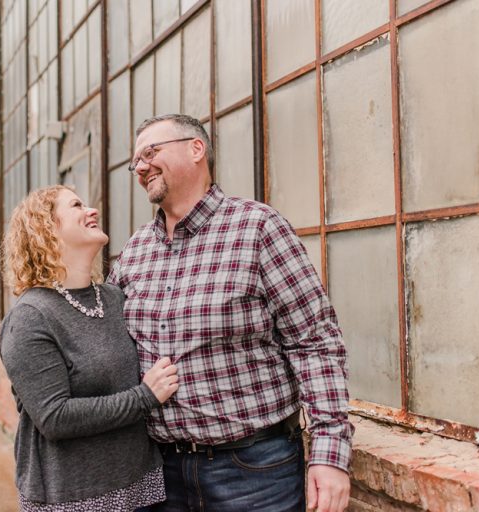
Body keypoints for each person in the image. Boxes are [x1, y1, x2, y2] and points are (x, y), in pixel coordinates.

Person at [107, 114, 353, 512]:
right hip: (160, 473)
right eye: (134, 161)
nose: (140, 167)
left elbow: (315, 343)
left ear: (196, 148)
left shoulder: (258, 228)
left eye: (150, 152)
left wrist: (329, 453)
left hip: (255, 471)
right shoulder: (134, 251)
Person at [0, 185, 180, 511]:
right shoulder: (30, 317)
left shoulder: (113, 298)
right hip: (73, 496)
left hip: (142, 486)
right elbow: (55, 417)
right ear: (47, 229)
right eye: (76, 205)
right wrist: (145, 397)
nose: (92, 210)